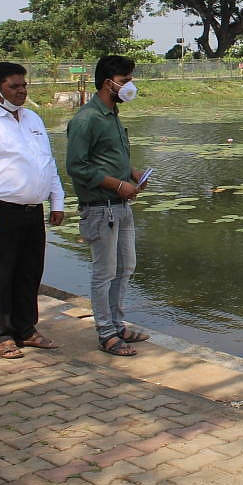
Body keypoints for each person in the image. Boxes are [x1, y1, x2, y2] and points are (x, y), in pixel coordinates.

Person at [0, 62, 65, 360]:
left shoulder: (33, 119)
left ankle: (26, 329)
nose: (21, 91)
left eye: (24, 85)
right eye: (14, 87)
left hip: (32, 210)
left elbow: (48, 163)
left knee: (30, 271)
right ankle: (2, 334)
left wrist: (57, 201)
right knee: (2, 273)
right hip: (0, 211)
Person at [66, 54, 151, 356]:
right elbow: (77, 166)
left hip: (120, 206)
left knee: (125, 266)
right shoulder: (86, 119)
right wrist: (118, 185)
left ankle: (118, 323)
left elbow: (110, 157)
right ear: (108, 83)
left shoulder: (112, 114)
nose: (131, 86)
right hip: (100, 207)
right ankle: (106, 333)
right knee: (104, 272)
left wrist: (132, 172)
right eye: (126, 81)